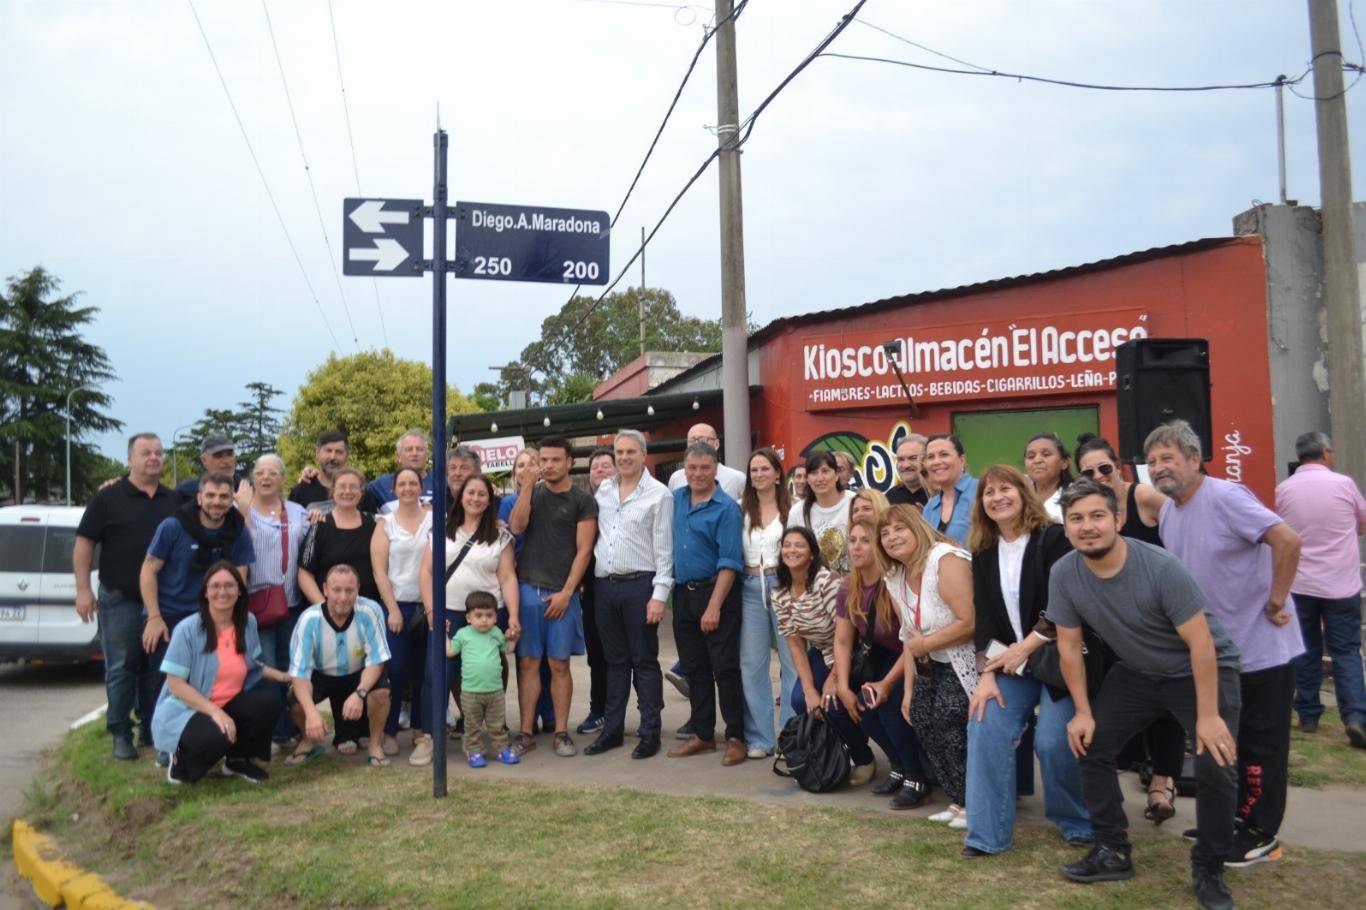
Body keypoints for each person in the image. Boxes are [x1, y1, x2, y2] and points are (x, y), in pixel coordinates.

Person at [1050, 479, 1242, 910]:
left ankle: (1209, 865)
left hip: (1201, 669)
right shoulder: (1064, 573)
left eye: (1097, 515)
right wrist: (1082, 711)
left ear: (1118, 519)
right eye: (1076, 519)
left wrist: (1208, 717)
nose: (1088, 527)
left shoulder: (1159, 567)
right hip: (1138, 670)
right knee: (1090, 743)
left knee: (1217, 763)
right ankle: (1112, 850)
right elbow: (1067, 646)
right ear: (1065, 528)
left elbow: (1202, 645)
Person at [1149, 419, 1303, 866]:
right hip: (1214, 655)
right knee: (1224, 743)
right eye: (1154, 461)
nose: (1159, 468)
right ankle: (1229, 820)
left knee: (1261, 747)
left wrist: (1276, 600)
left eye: (1169, 459)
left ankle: (1260, 832)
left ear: (1195, 460)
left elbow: (1287, 539)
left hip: (1261, 650)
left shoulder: (1226, 496)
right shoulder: (1168, 511)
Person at [962, 465, 1091, 857]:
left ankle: (1075, 821)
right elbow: (983, 620)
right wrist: (986, 675)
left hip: (1059, 659)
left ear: (1023, 493)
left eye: (1006, 489)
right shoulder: (982, 553)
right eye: (989, 492)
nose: (997, 497)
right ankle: (987, 836)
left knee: (1053, 741)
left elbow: (1065, 604)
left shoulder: (1052, 538)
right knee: (983, 722)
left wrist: (1027, 645)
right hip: (1010, 665)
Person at [1074, 432, 1182, 823]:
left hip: (1161, 618)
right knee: (1128, 703)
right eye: (1089, 472)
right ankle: (1135, 769)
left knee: (1167, 706)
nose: (1099, 475)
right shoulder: (1088, 511)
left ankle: (1163, 785)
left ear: (1118, 467)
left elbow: (1183, 533)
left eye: (1105, 468)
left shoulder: (1143, 498)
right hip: (1115, 623)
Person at [74, 432, 180, 760]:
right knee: (121, 667)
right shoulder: (108, 498)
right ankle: (121, 734)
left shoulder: (174, 500)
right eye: (146, 453)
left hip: (162, 602)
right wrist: (82, 590)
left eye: (159, 453)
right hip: (119, 598)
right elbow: (84, 544)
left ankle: (151, 728)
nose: (154, 458)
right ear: (130, 459)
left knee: (157, 668)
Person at [140, 471, 254, 756]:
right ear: (200, 497)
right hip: (173, 616)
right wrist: (153, 616)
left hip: (218, 618)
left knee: (212, 682)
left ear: (232, 500)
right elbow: (149, 569)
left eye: (224, 496)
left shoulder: (237, 529)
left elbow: (240, 577)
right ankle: (164, 748)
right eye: (211, 496)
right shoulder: (173, 527)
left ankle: (211, 738)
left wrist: (237, 620)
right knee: (165, 683)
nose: (217, 502)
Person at [879, 503, 977, 829]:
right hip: (929, 664)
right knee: (921, 718)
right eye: (885, 533)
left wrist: (926, 645)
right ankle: (958, 798)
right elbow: (910, 634)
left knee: (950, 720)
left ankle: (975, 803)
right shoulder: (894, 574)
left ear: (918, 528)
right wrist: (907, 690)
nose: (892, 537)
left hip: (967, 661)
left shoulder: (945, 560)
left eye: (899, 528)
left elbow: (968, 623)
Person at [414, 473, 520, 766]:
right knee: (438, 674)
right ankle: (429, 736)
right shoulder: (440, 530)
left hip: (488, 614)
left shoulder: (500, 535)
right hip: (447, 612)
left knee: (489, 670)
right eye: (470, 493)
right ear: (461, 497)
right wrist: (432, 611)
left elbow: (508, 576)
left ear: (490, 500)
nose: (475, 498)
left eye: (482, 494)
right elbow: (426, 572)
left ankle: (491, 727)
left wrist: (512, 615)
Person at [153, 562, 289, 784]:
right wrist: (216, 713)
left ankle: (236, 761)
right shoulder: (187, 630)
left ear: (239, 590)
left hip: (228, 703)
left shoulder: (248, 623)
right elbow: (176, 684)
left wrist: (283, 676)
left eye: (229, 585)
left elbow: (254, 665)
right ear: (205, 592)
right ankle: (180, 763)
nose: (222, 592)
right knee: (217, 735)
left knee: (268, 703)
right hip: (189, 709)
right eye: (215, 586)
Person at [508, 436, 597, 758]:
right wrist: (528, 487)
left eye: (555, 460)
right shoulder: (532, 493)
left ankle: (561, 732)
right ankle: (526, 732)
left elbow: (584, 551)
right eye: (542, 460)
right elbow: (517, 528)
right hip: (528, 588)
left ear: (569, 462)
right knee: (528, 663)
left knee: (559, 664)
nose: (547, 465)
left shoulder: (582, 500)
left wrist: (567, 593)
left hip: (563, 592)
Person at [1275, 431, 1366, 747]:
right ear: (1326, 453)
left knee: (1307, 648)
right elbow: (1362, 523)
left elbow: (1280, 530)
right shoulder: (1343, 485)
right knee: (1345, 651)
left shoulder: (1284, 490)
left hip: (1300, 583)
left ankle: (1309, 714)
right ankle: (1355, 717)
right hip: (1341, 584)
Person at [588, 431, 672, 759]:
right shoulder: (603, 492)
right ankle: (612, 730)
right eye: (619, 452)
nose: (624, 458)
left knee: (645, 662)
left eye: (630, 452)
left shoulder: (659, 495)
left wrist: (659, 595)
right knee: (615, 662)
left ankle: (650, 732)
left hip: (641, 586)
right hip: (605, 588)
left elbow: (664, 550)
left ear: (643, 454)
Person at [834, 517, 928, 804]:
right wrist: (841, 685)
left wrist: (887, 683)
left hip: (909, 655)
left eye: (865, 540)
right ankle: (897, 765)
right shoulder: (848, 586)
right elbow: (842, 640)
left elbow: (911, 639)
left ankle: (916, 776)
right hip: (879, 656)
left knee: (885, 706)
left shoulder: (894, 582)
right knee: (856, 707)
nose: (857, 547)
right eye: (852, 540)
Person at [774, 525, 878, 784]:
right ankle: (835, 751)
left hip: (853, 652)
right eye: (787, 545)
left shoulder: (826, 581)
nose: (792, 550)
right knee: (800, 699)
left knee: (832, 702)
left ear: (811, 553)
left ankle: (863, 758)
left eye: (799, 545)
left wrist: (834, 678)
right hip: (823, 651)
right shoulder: (779, 590)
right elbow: (795, 643)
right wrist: (810, 689)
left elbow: (848, 634)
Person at [667, 443, 747, 765]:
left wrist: (714, 606)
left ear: (716, 469)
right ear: (684, 470)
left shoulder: (727, 508)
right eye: (692, 468)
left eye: (704, 468)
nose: (698, 474)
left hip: (716, 595)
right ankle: (703, 735)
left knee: (724, 670)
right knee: (695, 668)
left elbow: (730, 561)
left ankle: (736, 737)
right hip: (683, 595)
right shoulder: (676, 500)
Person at [236, 454, 309, 754]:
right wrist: (242, 511)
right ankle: (269, 732)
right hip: (257, 605)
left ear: (282, 479)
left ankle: (287, 727)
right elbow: (237, 544)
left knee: (290, 667)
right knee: (264, 668)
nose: (266, 478)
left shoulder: (296, 511)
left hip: (291, 602)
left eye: (273, 473)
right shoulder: (240, 509)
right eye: (260, 472)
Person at [285, 564, 392, 766]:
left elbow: (377, 661)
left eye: (349, 590)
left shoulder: (370, 611)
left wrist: (360, 693)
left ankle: (375, 744)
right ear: (325, 589)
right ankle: (309, 738)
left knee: (381, 692)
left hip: (358, 673)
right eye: (336, 590)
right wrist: (311, 713)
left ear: (358, 589)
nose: (343, 597)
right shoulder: (308, 619)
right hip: (322, 675)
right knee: (294, 697)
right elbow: (299, 674)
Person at [737, 447, 797, 759]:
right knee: (752, 664)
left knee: (792, 663)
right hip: (749, 587)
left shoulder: (794, 509)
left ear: (777, 474)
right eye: (754, 470)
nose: (758, 475)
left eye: (764, 469)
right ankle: (760, 737)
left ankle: (790, 736)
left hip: (785, 585)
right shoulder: (740, 509)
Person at [371, 466, 433, 756]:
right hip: (398, 606)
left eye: (413, 483)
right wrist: (392, 609)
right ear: (394, 489)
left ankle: (421, 729)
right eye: (402, 484)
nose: (408, 488)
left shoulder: (437, 519)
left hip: (429, 605)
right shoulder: (385, 523)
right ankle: (390, 729)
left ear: (421, 487)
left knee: (424, 672)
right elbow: (379, 571)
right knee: (396, 671)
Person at [497, 446, 554, 735]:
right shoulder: (508, 503)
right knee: (527, 657)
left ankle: (551, 714)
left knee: (551, 655)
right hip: (520, 583)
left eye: (533, 463)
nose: (527, 469)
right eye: (520, 465)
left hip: (549, 582)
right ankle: (530, 717)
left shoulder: (553, 498)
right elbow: (514, 533)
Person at [447, 591, 519, 767]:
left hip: (495, 691)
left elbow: (507, 649)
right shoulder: (463, 634)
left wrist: (513, 638)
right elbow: (450, 652)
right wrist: (443, 634)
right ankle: (473, 752)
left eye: (489, 615)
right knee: (472, 727)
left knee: (497, 725)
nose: (484, 620)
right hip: (471, 693)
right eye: (478, 616)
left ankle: (502, 750)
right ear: (468, 617)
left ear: (495, 617)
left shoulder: (496, 633)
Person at [576, 446, 617, 736]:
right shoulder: (582, 504)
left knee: (634, 655)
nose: (600, 471)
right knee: (597, 656)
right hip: (590, 589)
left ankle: (646, 714)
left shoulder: (626, 502)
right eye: (595, 467)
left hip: (626, 586)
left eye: (606, 466)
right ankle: (599, 710)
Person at [297, 468, 380, 605]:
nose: (347, 491)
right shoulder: (318, 526)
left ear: (361, 492)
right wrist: (324, 609)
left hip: (367, 611)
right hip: (329, 610)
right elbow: (304, 574)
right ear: (333, 491)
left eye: (353, 487)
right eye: (342, 486)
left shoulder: (375, 525)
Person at [787, 451, 856, 572]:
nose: (820, 478)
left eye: (825, 471)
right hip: (816, 586)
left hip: (855, 583)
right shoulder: (797, 512)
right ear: (807, 479)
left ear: (836, 475)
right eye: (814, 473)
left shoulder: (854, 502)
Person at [922, 434, 979, 546]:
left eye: (944, 455)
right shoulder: (929, 508)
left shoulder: (981, 490)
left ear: (962, 460)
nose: (936, 462)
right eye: (930, 457)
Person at [666, 423, 746, 500]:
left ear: (716, 444)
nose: (697, 444)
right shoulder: (676, 478)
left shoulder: (736, 478)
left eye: (703, 440)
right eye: (692, 440)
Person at [367, 429, 435, 514]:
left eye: (419, 449)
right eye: (409, 449)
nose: (414, 453)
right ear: (398, 456)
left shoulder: (443, 484)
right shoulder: (380, 486)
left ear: (427, 455)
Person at [288, 430, 353, 510]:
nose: (333, 457)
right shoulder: (300, 491)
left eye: (339, 452)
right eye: (328, 451)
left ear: (347, 456)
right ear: (317, 453)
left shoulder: (357, 492)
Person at [173, 435, 246, 502]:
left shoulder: (249, 489)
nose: (226, 461)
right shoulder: (185, 493)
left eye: (230, 454)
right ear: (204, 460)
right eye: (218, 456)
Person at [1024, 433, 1073, 521]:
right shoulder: (1019, 496)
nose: (1037, 460)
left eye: (1046, 454)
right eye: (1031, 456)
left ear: (1064, 463)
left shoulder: (1077, 495)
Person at [887, 434, 929, 508]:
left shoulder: (940, 494)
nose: (906, 465)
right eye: (901, 459)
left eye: (913, 458)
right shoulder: (890, 496)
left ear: (927, 459)